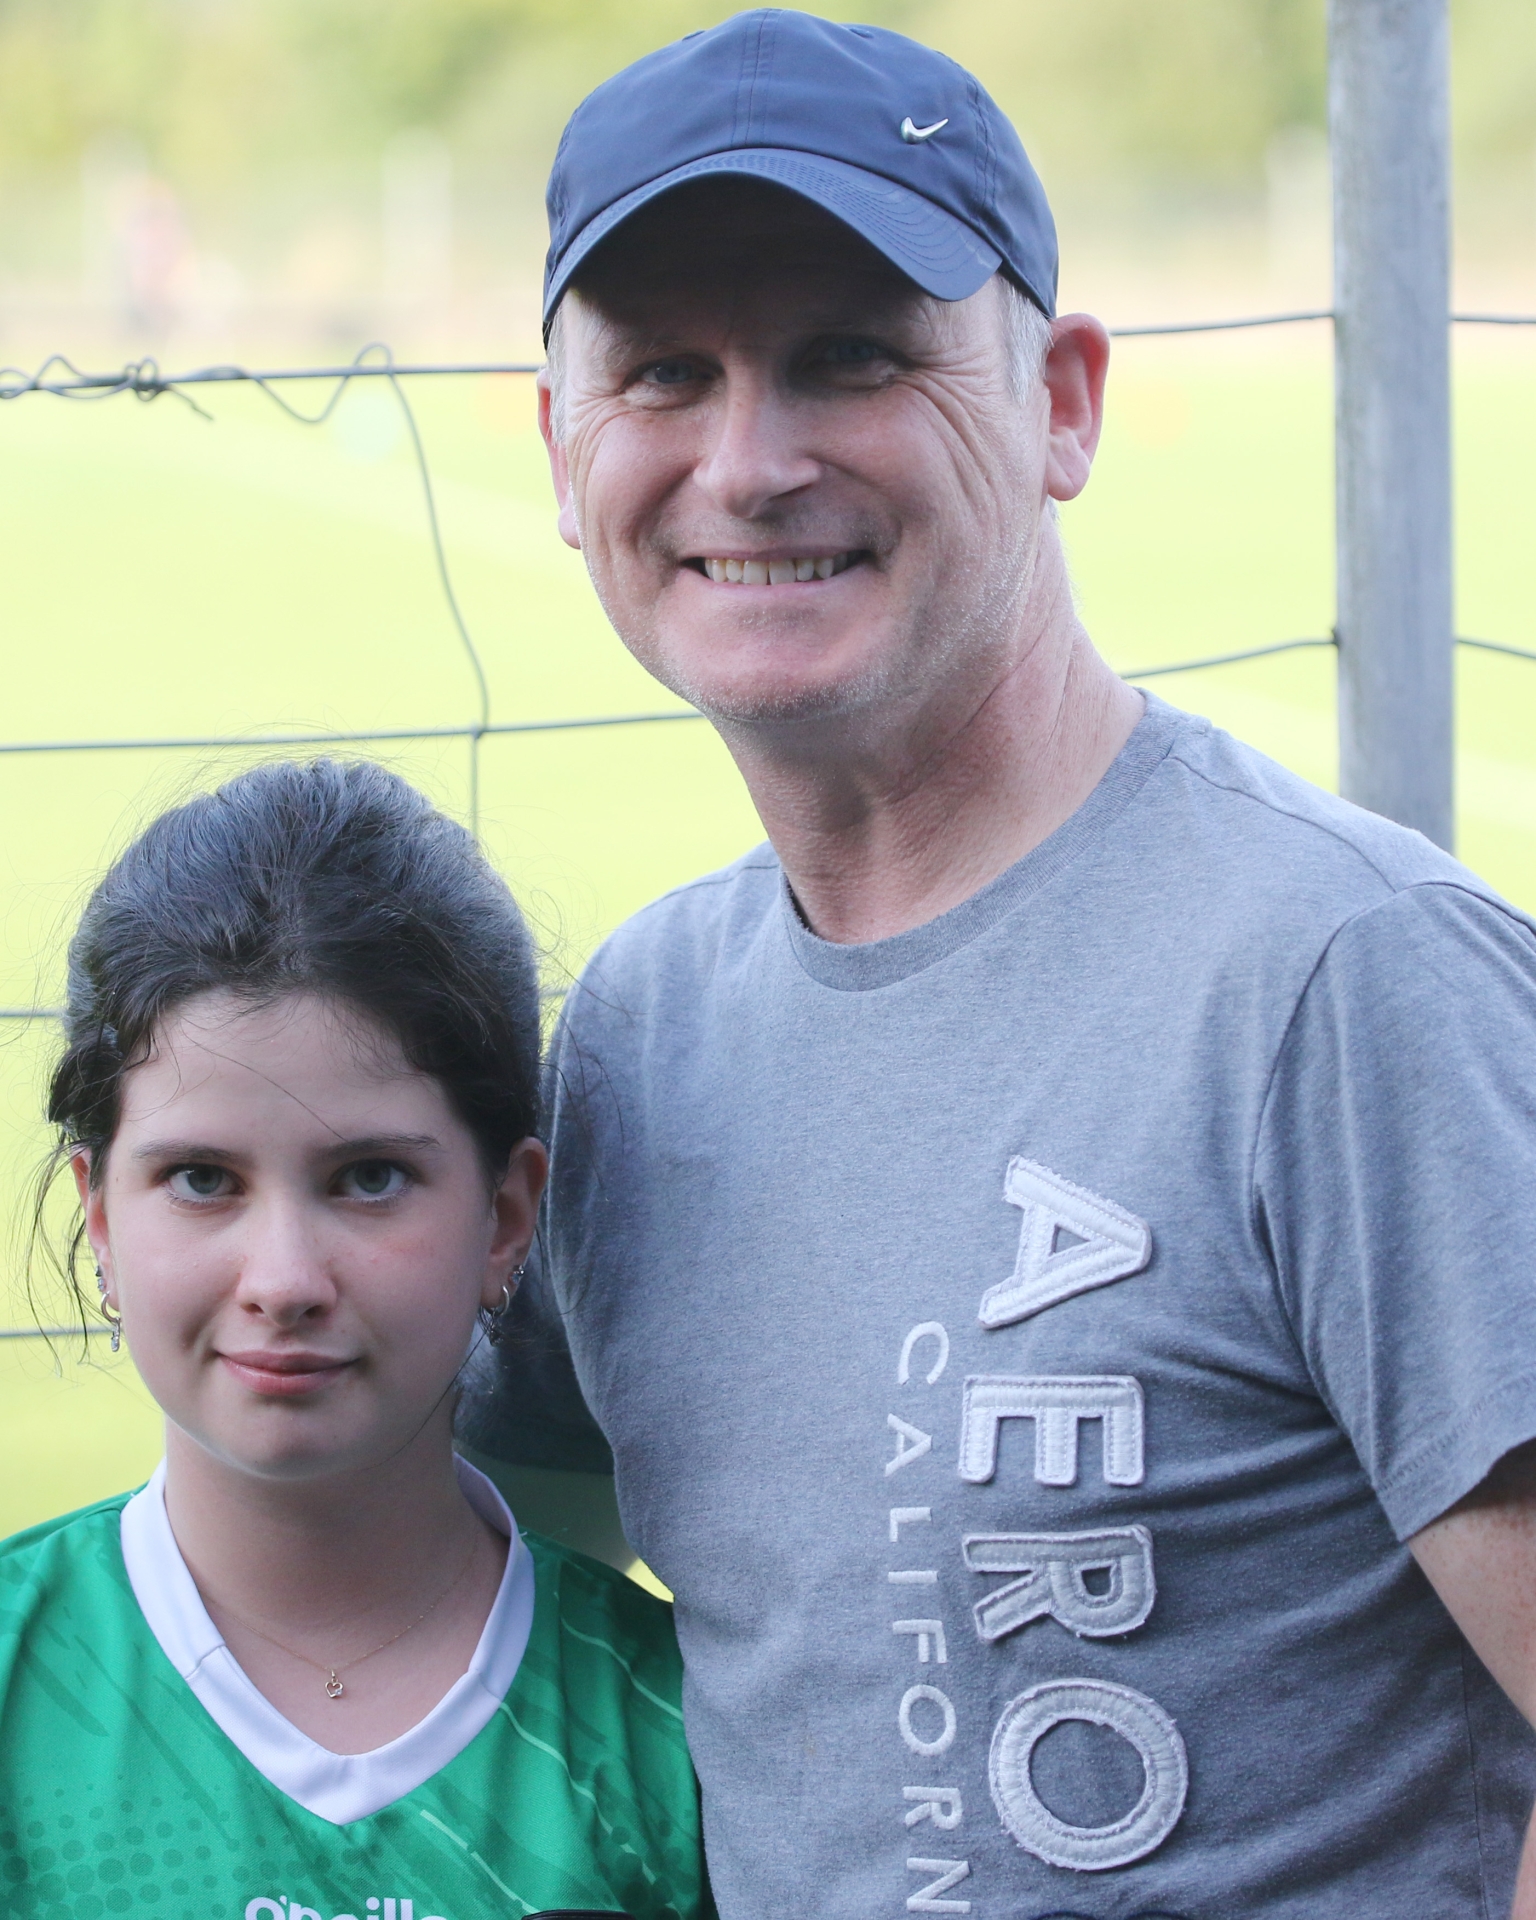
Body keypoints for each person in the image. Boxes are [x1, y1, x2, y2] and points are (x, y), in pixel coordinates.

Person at [462, 10, 1536, 1919]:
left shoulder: (1339, 983)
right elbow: (428, 1556)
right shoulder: (639, 1039)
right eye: (665, 374)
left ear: (1062, 402)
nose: (750, 461)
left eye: (849, 357)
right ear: (558, 450)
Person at [0, 759, 713, 1920]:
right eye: (199, 1179)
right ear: (99, 1218)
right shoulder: (23, 1681)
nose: (284, 1280)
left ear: (506, 1217)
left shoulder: (678, 1732)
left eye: (369, 1178)